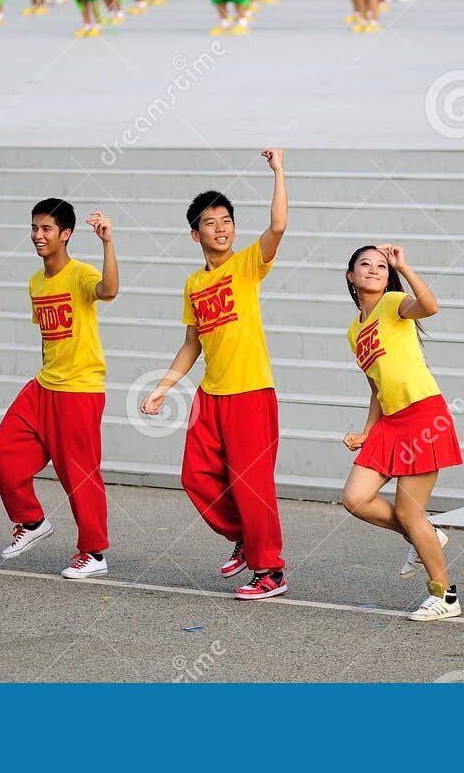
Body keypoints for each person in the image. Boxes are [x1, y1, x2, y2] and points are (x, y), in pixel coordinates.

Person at [141, 150, 289, 601]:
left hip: (249, 391)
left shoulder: (246, 265)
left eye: (226, 219)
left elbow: (278, 226)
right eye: (211, 221)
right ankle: (245, 537)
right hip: (212, 394)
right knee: (195, 475)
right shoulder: (194, 284)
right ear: (194, 233)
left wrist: (279, 171)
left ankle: (272, 571)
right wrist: (163, 388)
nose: (221, 227)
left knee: (252, 482)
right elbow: (192, 344)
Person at [0, 201, 119, 579]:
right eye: (34, 228)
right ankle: (30, 522)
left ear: (66, 235)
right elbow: (49, 340)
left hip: (79, 389)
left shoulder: (80, 274)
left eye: (46, 229)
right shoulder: (35, 282)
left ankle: (94, 553)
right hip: (44, 385)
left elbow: (109, 290)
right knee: (1, 452)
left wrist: (108, 243)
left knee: (79, 473)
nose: (37, 235)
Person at [340, 244, 463, 621]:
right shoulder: (354, 331)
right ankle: (422, 534)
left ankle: (446, 596)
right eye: (365, 265)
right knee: (355, 498)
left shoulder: (395, 302)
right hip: (391, 422)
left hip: (423, 414)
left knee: (411, 513)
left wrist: (404, 267)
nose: (374, 270)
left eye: (380, 266)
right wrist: (367, 431)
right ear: (351, 276)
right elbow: (377, 386)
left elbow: (430, 306)